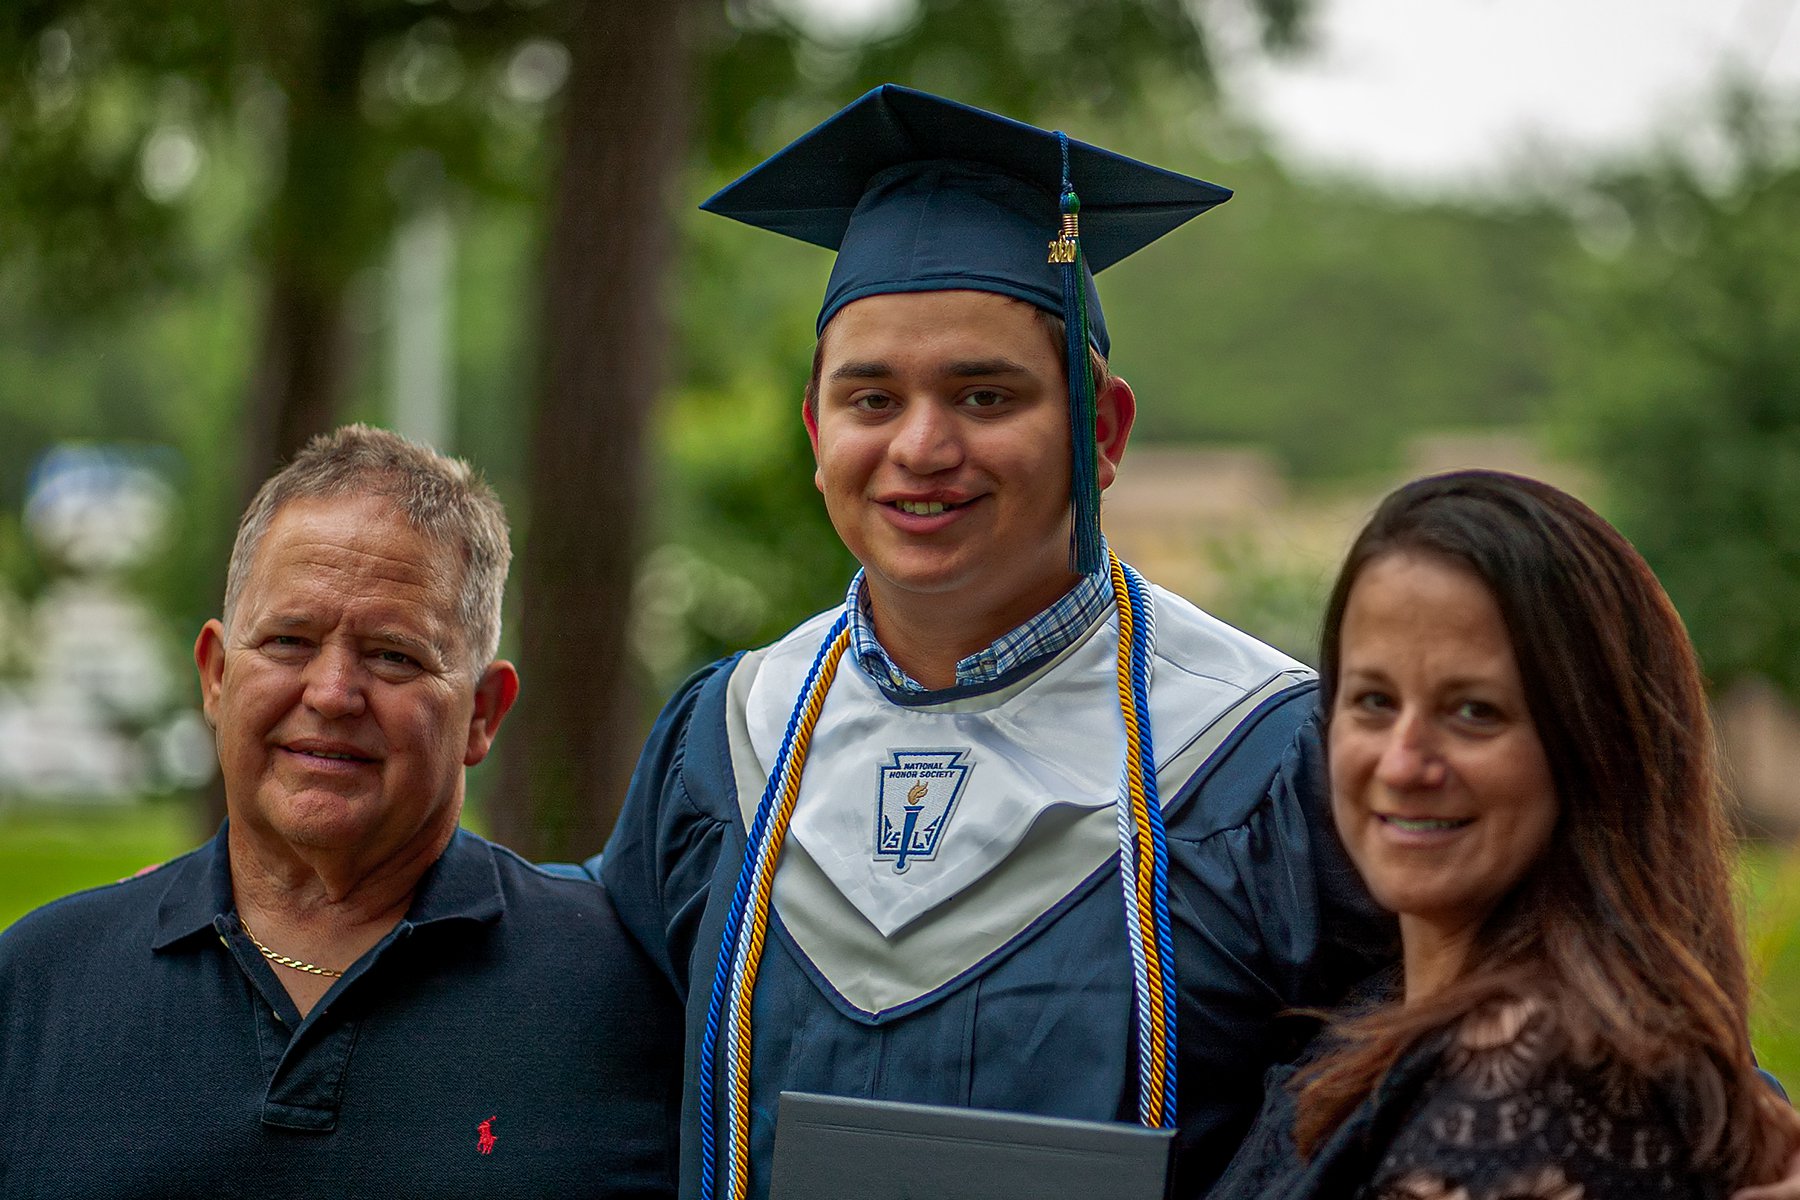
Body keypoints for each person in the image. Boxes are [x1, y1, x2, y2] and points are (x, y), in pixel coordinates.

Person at [597, 83, 1394, 1200]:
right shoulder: (723, 744)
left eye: (983, 395)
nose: (922, 447)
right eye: (872, 400)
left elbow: (1414, 1087)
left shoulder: (1268, 760)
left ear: (1101, 429)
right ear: (818, 433)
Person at [0, 425, 679, 1199]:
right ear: (217, 677)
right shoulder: (36, 988)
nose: (330, 693)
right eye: (289, 640)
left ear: (484, 712)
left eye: (394, 654)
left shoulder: (626, 993)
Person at [1209, 469, 1800, 1199]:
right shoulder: (1390, 1012)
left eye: (1474, 711)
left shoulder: (1537, 1083)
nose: (1402, 762)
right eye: (1372, 700)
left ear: (1593, 747)